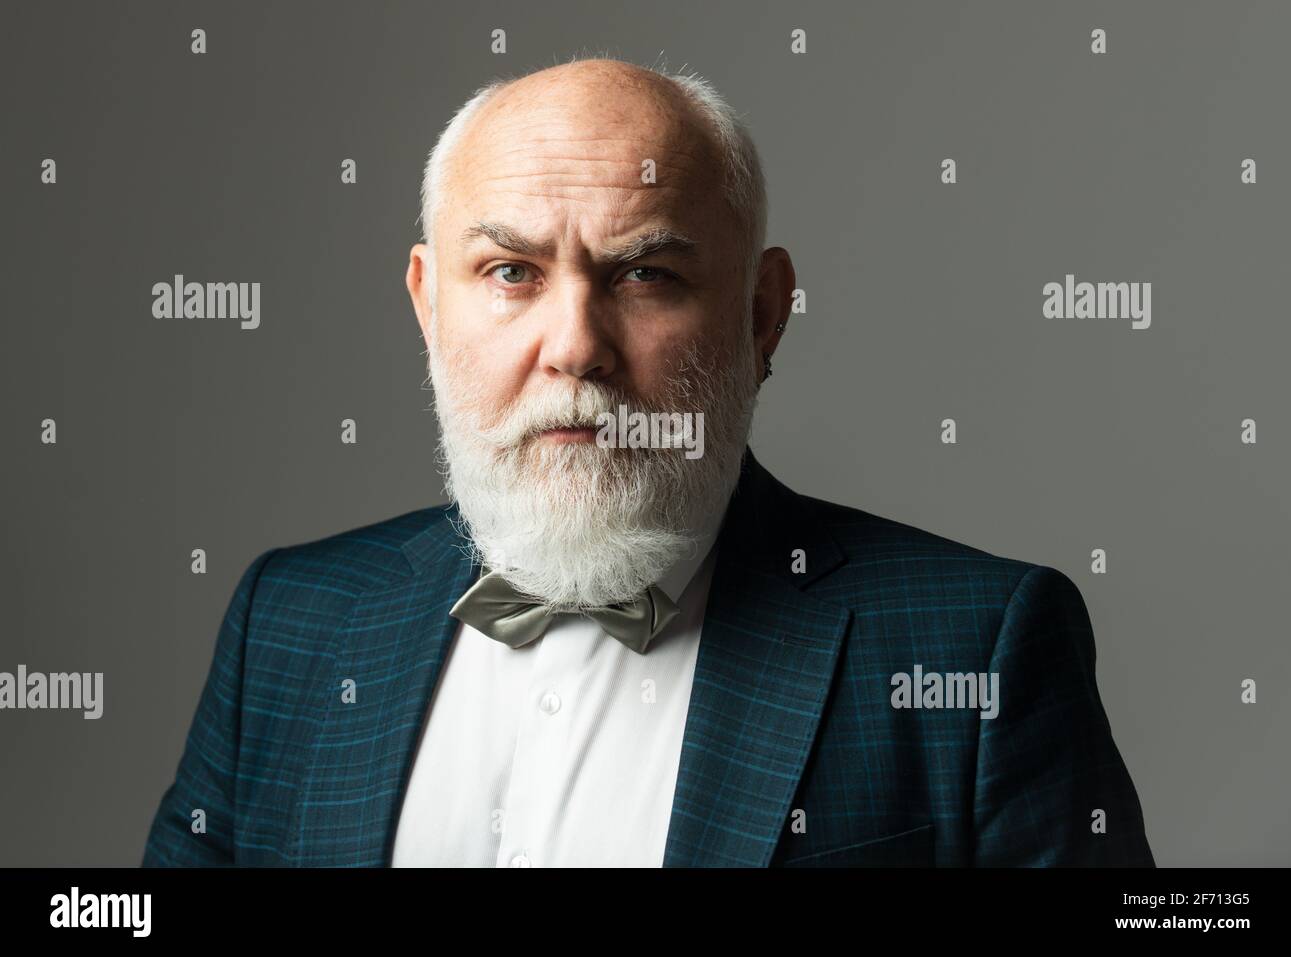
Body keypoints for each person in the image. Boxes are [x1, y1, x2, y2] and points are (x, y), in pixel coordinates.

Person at [143, 56, 1154, 867]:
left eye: (645, 274)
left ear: (762, 314)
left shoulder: (975, 649)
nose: (575, 347)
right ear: (427, 305)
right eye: (508, 273)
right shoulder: (288, 622)